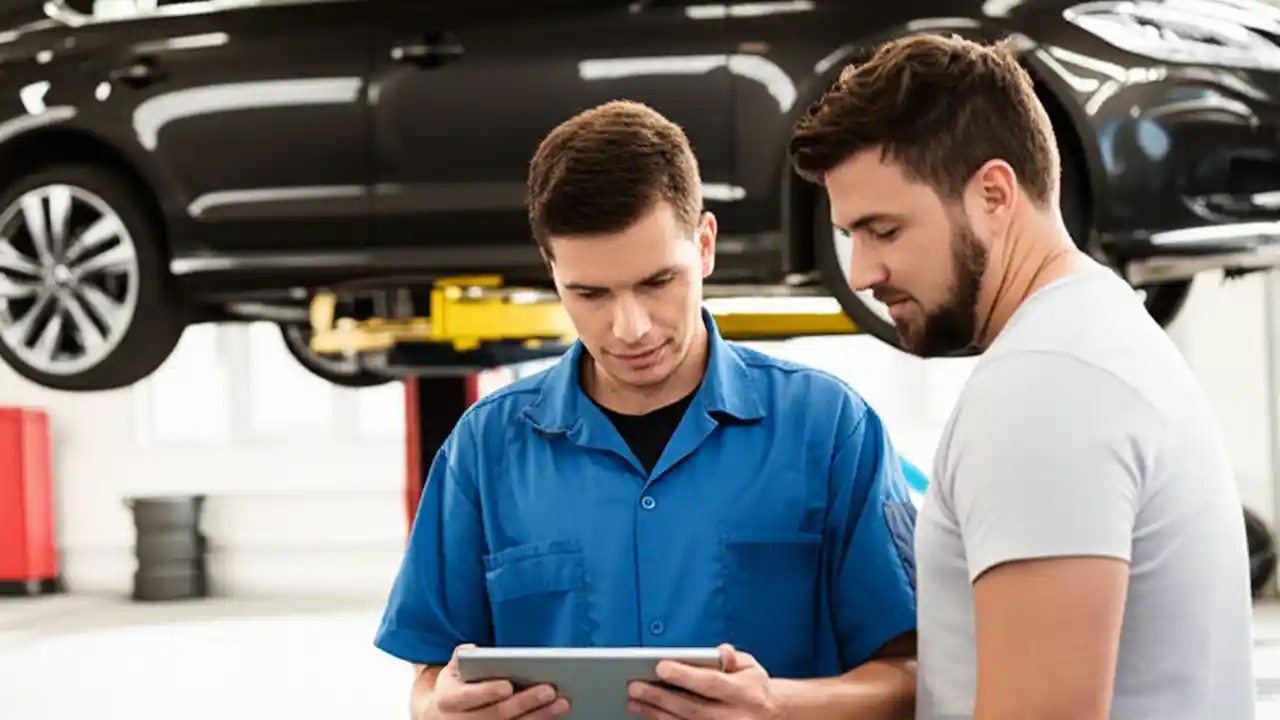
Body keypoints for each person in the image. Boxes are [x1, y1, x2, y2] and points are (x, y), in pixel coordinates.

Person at [374, 100, 920, 720]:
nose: (629, 327)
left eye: (658, 282)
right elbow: (429, 676)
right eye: (591, 293)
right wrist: (439, 711)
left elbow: (910, 674)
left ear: (705, 245)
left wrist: (778, 705)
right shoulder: (483, 450)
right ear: (552, 273)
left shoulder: (828, 429)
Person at [789, 33, 1256, 720]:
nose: (862, 273)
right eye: (850, 236)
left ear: (994, 195)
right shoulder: (1095, 339)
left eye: (883, 230)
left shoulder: (1046, 387)